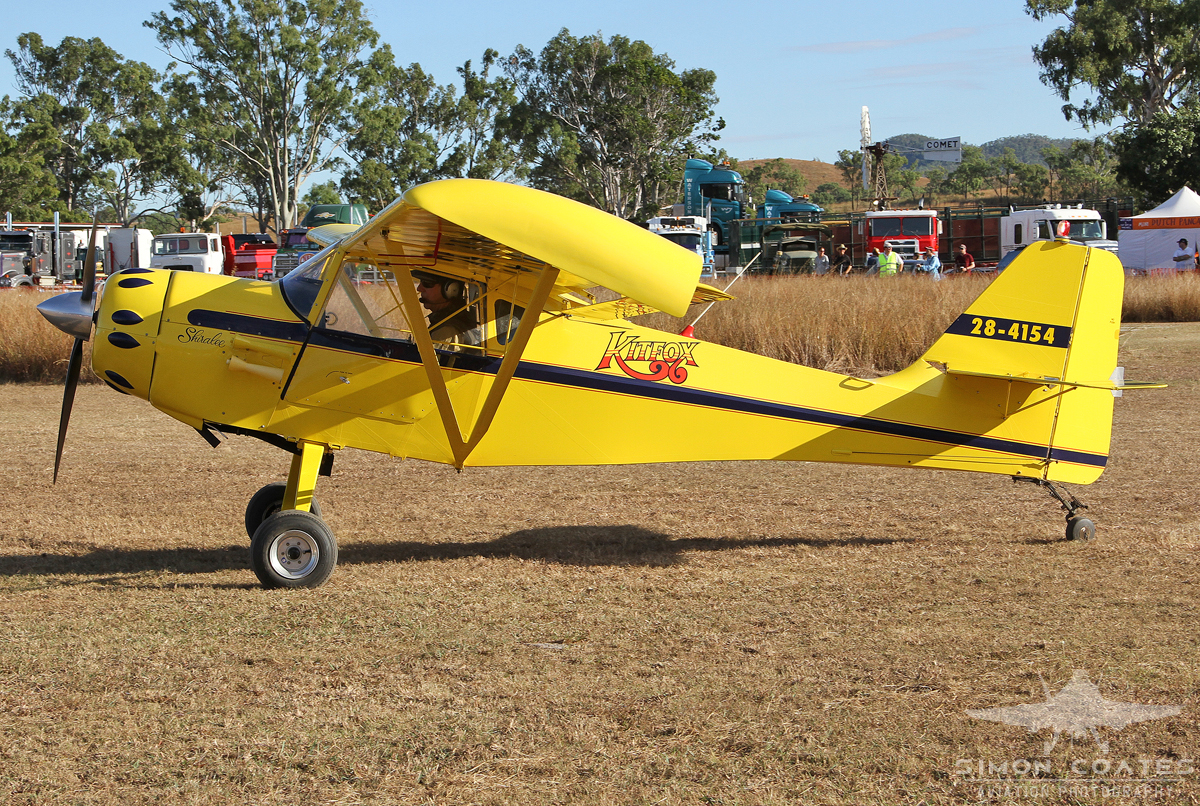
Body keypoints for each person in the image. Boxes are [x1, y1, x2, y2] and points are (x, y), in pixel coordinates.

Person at [415, 272, 482, 347]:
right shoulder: (446, 322)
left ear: (451, 289)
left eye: (427, 283)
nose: (419, 288)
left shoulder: (446, 332)